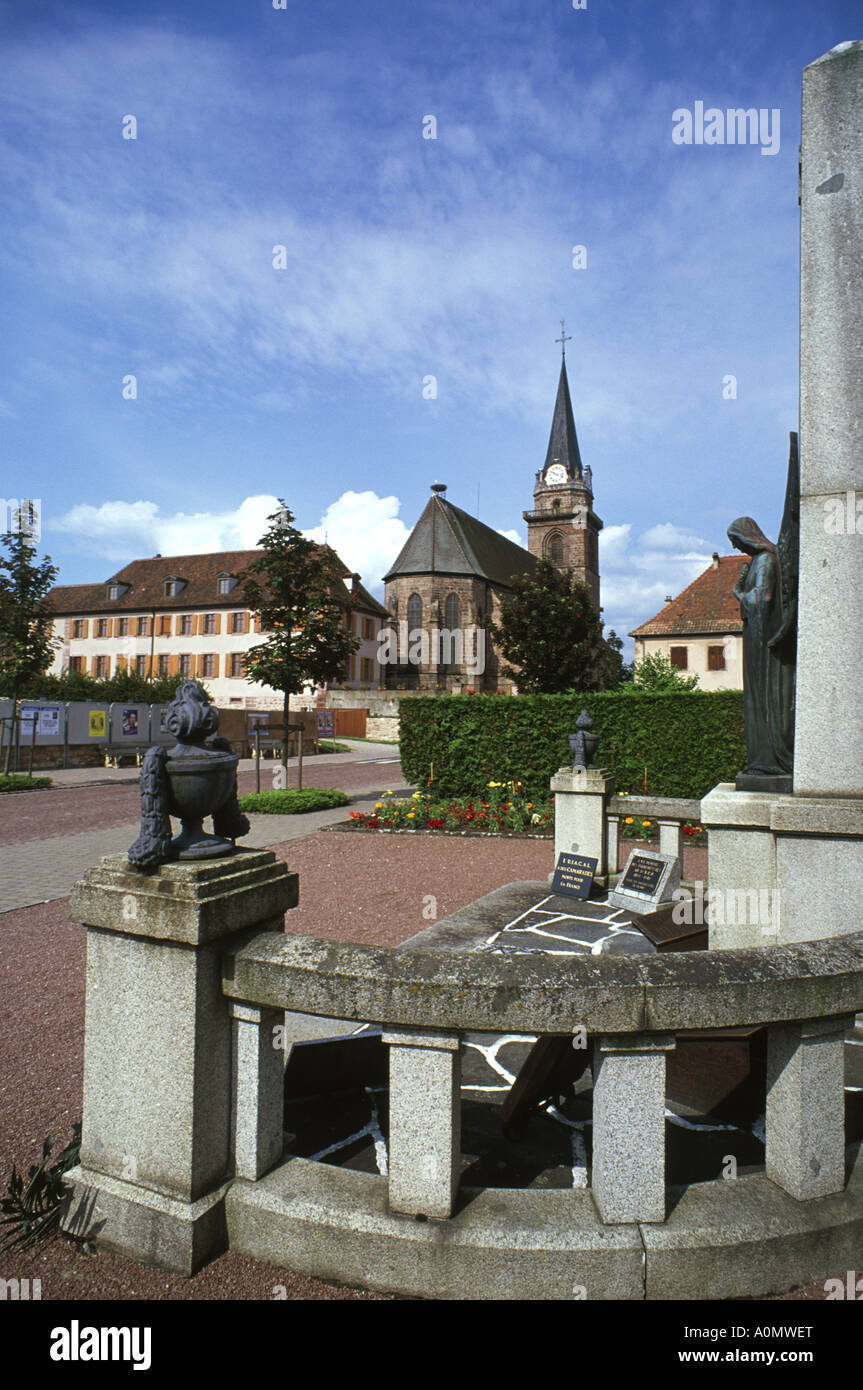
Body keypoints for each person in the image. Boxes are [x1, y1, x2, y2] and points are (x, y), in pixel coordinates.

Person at [727, 517, 795, 778]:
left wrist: (738, 591)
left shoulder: (766, 559)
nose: (735, 548)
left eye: (736, 542)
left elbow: (762, 598)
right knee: (755, 698)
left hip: (762, 637)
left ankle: (769, 761)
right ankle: (761, 759)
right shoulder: (759, 560)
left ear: (746, 537)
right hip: (756, 634)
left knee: (761, 696)